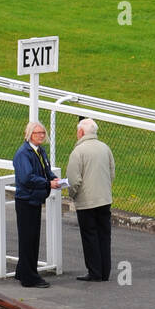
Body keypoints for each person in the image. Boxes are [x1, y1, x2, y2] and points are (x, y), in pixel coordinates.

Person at [66, 118, 115, 281]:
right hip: (105, 199)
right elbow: (111, 173)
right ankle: (104, 271)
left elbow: (74, 180)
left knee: (89, 236)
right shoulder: (105, 148)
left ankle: (94, 271)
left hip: (87, 201)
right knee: (104, 235)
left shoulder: (78, 152)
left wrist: (72, 195)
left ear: (80, 132)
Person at [12, 121, 59, 289]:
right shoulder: (23, 153)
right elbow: (27, 178)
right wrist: (48, 184)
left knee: (32, 238)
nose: (41, 135)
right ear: (29, 134)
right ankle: (29, 277)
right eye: (37, 133)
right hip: (26, 201)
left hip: (35, 199)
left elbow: (46, 170)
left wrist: (53, 179)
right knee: (28, 240)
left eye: (42, 133)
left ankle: (22, 271)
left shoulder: (40, 151)